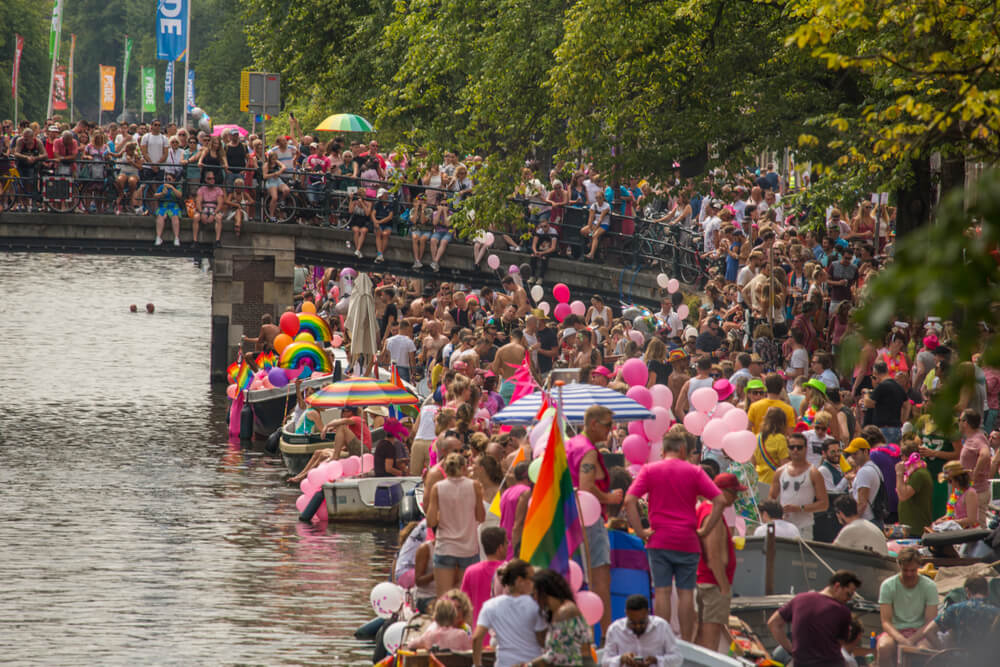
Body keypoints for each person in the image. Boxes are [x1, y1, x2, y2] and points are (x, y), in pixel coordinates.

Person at [625, 431, 725, 641]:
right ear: (682, 449)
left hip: (658, 538)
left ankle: (662, 640)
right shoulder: (694, 471)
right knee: (686, 593)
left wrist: (641, 530)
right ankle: (686, 642)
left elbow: (630, 500)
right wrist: (705, 530)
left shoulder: (650, 470)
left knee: (661, 592)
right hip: (687, 540)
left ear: (662, 451)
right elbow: (720, 500)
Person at [566, 405, 623, 636]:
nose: (611, 430)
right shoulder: (588, 451)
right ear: (593, 424)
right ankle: (606, 639)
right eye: (608, 425)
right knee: (600, 580)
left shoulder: (569, 444)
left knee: (574, 582)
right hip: (589, 519)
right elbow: (587, 485)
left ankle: (580, 638)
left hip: (570, 519)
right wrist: (609, 497)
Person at [767, 570, 861, 667]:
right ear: (837, 586)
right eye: (848, 594)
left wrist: (791, 651)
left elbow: (773, 623)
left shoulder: (799, 599)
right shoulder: (843, 611)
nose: (849, 599)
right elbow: (840, 644)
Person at [696, 473, 744, 650]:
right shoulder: (711, 513)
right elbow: (713, 556)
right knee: (710, 642)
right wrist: (724, 587)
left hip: (707, 582)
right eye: (734, 492)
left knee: (704, 638)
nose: (736, 497)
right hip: (712, 584)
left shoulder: (705, 509)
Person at [425, 452, 485, 596]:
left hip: (445, 547)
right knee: (466, 598)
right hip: (469, 548)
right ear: (464, 468)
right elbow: (481, 517)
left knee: (444, 598)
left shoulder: (438, 488)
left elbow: (430, 521)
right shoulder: (474, 486)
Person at [472, 559, 546, 667]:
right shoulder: (536, 606)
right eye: (531, 579)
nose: (534, 583)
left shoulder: (490, 605)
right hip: (531, 663)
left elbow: (476, 638)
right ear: (519, 581)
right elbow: (542, 640)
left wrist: (477, 664)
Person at [516, 569, 594, 667]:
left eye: (534, 594)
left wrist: (528, 665)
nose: (533, 599)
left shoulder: (566, 612)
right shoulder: (556, 613)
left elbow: (557, 655)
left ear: (543, 592)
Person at [876, 547, 937, 667]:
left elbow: (930, 622)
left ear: (919, 567)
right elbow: (886, 622)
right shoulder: (888, 585)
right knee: (884, 647)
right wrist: (901, 639)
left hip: (920, 632)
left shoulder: (929, 586)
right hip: (895, 631)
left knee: (922, 651)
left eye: (913, 570)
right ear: (899, 566)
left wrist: (912, 639)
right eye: (905, 570)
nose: (909, 574)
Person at [910, 575, 1000, 651]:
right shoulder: (996, 613)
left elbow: (928, 631)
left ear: (967, 591)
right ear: (987, 592)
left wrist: (942, 650)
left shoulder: (955, 609)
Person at [768, 432, 829, 539]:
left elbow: (824, 504)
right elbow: (771, 498)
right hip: (783, 527)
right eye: (792, 447)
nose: (795, 450)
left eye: (799, 447)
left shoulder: (814, 472)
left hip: (804, 527)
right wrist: (777, 512)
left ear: (806, 449)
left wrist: (799, 508)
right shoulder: (780, 471)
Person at [601, 594, 683, 667]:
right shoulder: (615, 629)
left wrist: (656, 660)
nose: (638, 626)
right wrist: (621, 659)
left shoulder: (662, 626)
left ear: (648, 612)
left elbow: (677, 658)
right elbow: (605, 662)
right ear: (626, 613)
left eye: (642, 622)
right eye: (632, 623)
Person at [461, 526, 507, 629]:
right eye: (506, 543)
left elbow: (463, 604)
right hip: (504, 637)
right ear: (500, 548)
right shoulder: (509, 570)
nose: (508, 546)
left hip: (478, 635)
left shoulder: (471, 571)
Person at [957, 409, 991, 527]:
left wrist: (974, 474)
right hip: (970, 492)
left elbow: (985, 455)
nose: (958, 423)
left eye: (959, 420)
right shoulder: (972, 439)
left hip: (977, 492)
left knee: (978, 531)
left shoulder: (978, 439)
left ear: (965, 423)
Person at [894, 442, 934, 536]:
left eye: (902, 457)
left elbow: (903, 495)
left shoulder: (919, 474)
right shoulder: (912, 473)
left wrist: (899, 473)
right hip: (909, 529)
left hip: (916, 530)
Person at [406, 596, 473, 651]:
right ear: (453, 616)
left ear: (435, 617)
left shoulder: (429, 635)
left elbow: (410, 645)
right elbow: (472, 651)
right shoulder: (461, 635)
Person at [928, 460, 980, 530]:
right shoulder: (956, 492)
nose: (949, 483)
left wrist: (948, 522)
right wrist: (940, 520)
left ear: (959, 479)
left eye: (950, 481)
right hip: (955, 530)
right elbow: (950, 514)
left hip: (968, 533)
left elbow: (972, 519)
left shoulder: (970, 493)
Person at [844, 437, 885, 526]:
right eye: (851, 454)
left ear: (865, 452)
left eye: (856, 453)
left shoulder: (864, 471)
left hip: (866, 520)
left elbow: (862, 503)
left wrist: (852, 522)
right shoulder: (874, 468)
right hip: (873, 519)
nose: (853, 457)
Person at [753, 406, 791, 497]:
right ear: (782, 423)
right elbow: (784, 465)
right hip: (774, 483)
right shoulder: (780, 438)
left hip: (759, 481)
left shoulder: (757, 437)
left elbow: (753, 463)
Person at [501, 462, 533, 558]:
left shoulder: (506, 492)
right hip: (517, 546)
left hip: (504, 545)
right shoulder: (526, 492)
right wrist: (516, 552)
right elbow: (517, 525)